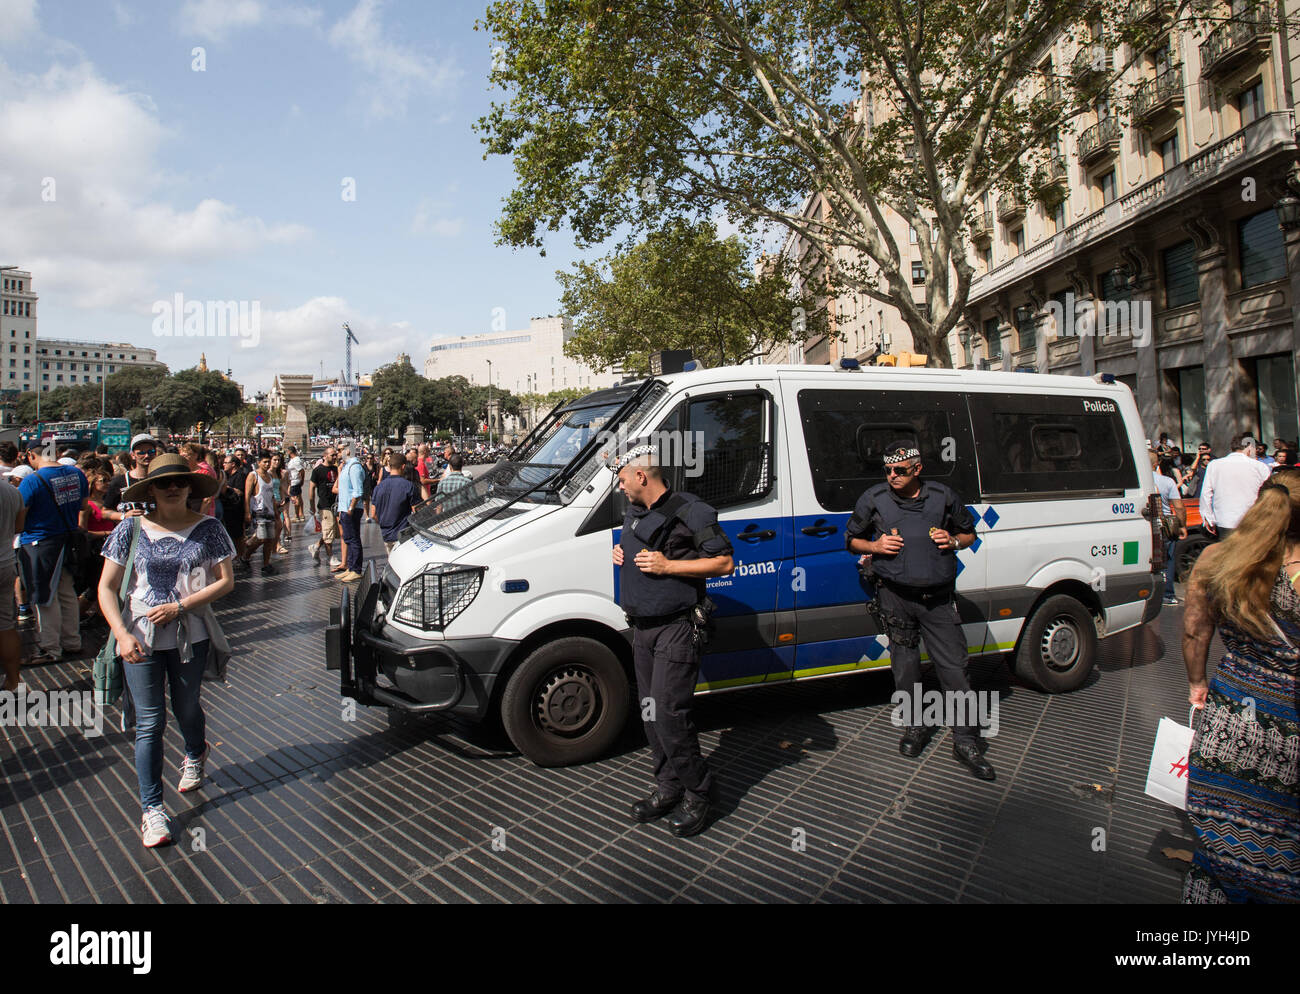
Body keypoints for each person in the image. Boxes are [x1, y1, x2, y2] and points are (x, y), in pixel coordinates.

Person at [98, 455, 236, 848]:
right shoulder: (131, 529)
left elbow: (225, 581)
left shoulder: (209, 529)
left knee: (187, 706)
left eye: (179, 481)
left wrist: (181, 606)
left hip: (189, 633)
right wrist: (122, 635)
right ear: (151, 489)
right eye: (163, 483)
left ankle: (195, 751)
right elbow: (107, 588)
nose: (172, 488)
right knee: (150, 722)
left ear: (190, 486)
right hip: (139, 637)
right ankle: (152, 809)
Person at [1180, 468, 1300, 903]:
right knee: (1284, 851)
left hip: (1229, 715)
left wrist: (1197, 685)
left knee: (1218, 847)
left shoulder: (1217, 559)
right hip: (1289, 725)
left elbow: (1194, 633)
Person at [844, 440, 995, 780]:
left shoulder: (942, 496)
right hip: (895, 597)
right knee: (906, 668)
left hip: (938, 599)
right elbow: (850, 540)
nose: (892, 476)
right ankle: (915, 727)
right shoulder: (874, 499)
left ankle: (966, 741)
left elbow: (969, 533)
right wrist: (875, 545)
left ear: (917, 469)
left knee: (954, 670)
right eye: (887, 470)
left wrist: (953, 541)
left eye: (899, 470)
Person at [612, 443, 734, 837]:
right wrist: (619, 552)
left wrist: (669, 566)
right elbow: (634, 548)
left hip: (677, 629)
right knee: (650, 715)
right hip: (642, 629)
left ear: (642, 476)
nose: (620, 485)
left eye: (623, 477)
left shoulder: (691, 510)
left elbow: (725, 562)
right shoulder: (633, 513)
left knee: (669, 713)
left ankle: (699, 793)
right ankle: (668, 789)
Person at [17, 447, 88, 664]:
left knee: (44, 597)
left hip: (40, 543)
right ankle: (72, 641)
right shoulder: (76, 473)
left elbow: (19, 518)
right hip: (67, 539)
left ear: (31, 455)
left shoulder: (32, 481)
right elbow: (84, 506)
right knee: (66, 592)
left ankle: (50, 648)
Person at [1200, 433, 1271, 542]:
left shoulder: (1214, 465)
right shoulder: (1260, 467)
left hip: (1224, 520)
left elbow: (1206, 494)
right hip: (1253, 520)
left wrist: (1208, 519)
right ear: (1249, 448)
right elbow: (1269, 495)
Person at [1151, 451, 1187, 606]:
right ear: (1156, 464)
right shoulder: (1167, 481)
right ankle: (1167, 594)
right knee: (1167, 560)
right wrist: (1182, 526)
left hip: (1144, 524)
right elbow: (1179, 507)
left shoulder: (1134, 480)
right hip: (1164, 525)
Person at [0, 475, 25, 691]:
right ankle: (13, 681)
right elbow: (19, 526)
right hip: (5, 563)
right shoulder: (11, 491)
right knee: (5, 624)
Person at [373, 453, 422, 554]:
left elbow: (373, 514)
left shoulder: (379, 487)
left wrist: (384, 523)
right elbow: (417, 511)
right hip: (403, 534)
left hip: (386, 534)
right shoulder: (408, 486)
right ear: (403, 466)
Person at [240, 451, 278, 575]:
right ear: (258, 462)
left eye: (268, 462)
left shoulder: (270, 476)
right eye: (265, 462)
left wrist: (276, 511)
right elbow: (247, 495)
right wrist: (247, 512)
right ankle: (245, 556)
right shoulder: (253, 475)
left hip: (270, 511)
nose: (267, 464)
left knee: (270, 540)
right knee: (261, 538)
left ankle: (266, 564)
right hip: (258, 511)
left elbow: (272, 496)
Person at [104, 435, 159, 513]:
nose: (147, 455)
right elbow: (105, 511)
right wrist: (124, 516)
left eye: (151, 452)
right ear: (133, 455)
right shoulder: (119, 482)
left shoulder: (161, 479)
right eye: (141, 452)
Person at [336, 444, 366, 583]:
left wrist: (350, 509)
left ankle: (356, 569)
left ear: (348, 451)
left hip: (351, 509)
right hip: (344, 507)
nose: (339, 452)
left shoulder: (355, 467)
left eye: (341, 450)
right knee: (348, 538)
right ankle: (350, 567)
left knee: (353, 539)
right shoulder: (346, 466)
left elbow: (358, 490)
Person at [306, 446, 341, 569]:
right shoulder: (318, 470)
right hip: (325, 504)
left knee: (332, 531)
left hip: (336, 504)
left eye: (335, 454)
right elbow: (311, 488)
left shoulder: (337, 469)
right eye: (332, 455)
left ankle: (315, 546)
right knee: (328, 531)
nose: (335, 457)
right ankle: (330, 556)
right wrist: (311, 505)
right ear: (325, 456)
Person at [286, 445, 306, 522]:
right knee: (299, 497)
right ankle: (301, 514)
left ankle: (296, 515)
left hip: (294, 481)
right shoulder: (294, 460)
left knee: (295, 499)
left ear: (290, 452)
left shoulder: (295, 461)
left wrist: (302, 480)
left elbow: (301, 470)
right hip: (295, 481)